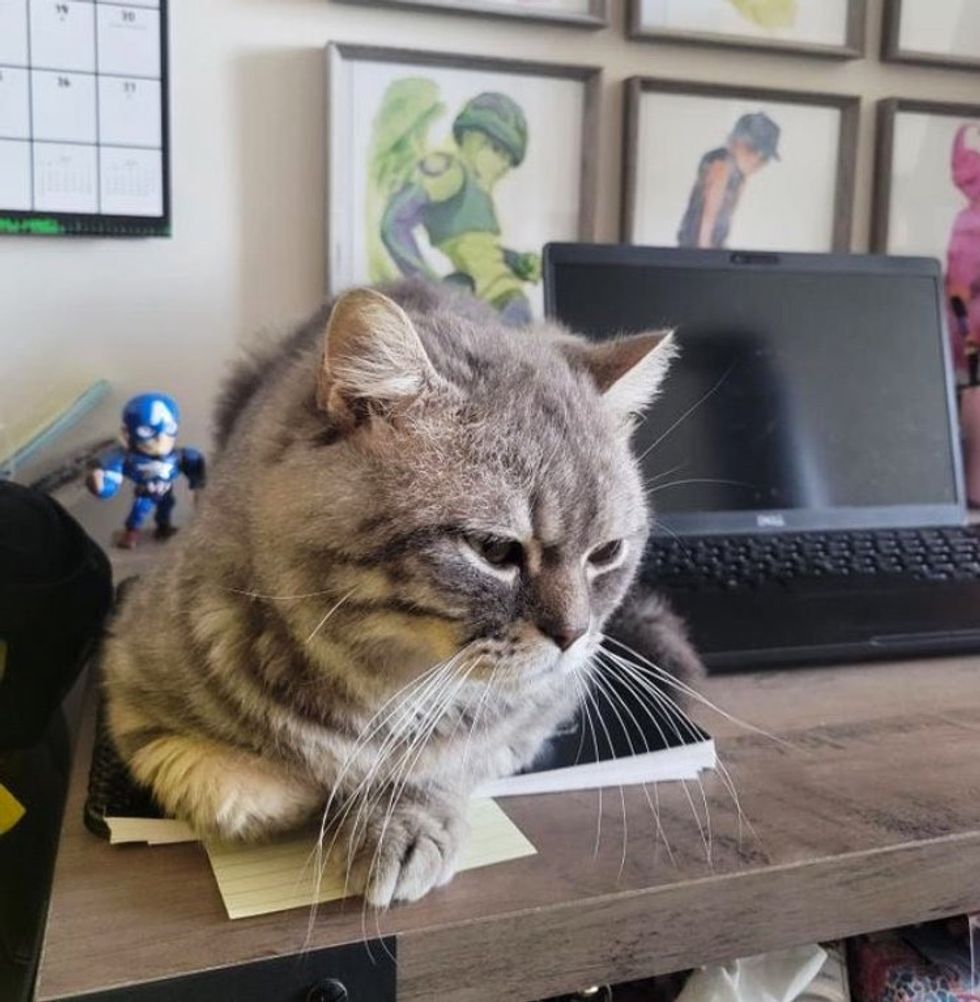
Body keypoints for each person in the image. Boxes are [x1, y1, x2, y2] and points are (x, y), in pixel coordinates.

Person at [380, 92, 540, 325]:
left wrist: (517, 262)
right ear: (469, 138)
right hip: (489, 308)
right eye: (495, 149)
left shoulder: (479, 194)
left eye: (508, 158)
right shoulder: (451, 172)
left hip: (506, 305)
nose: (503, 165)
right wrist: (425, 286)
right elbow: (393, 222)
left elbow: (480, 249)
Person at [86, 393, 205, 548]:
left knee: (166, 508)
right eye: (147, 432)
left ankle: (163, 529)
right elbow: (110, 479)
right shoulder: (127, 458)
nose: (160, 439)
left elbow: (195, 470)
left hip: (166, 491)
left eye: (169, 429)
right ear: (127, 433)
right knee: (139, 512)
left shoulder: (179, 456)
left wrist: (198, 487)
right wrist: (99, 482)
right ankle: (131, 533)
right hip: (145, 492)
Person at [677, 111, 781, 249]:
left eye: (764, 158)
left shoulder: (740, 174)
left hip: (714, 246)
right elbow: (708, 217)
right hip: (696, 247)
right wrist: (704, 255)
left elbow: (728, 217)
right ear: (736, 141)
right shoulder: (721, 166)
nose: (756, 161)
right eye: (752, 149)